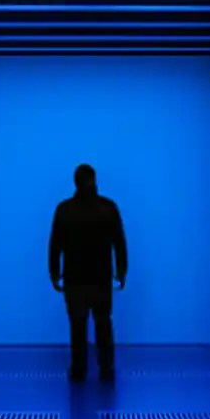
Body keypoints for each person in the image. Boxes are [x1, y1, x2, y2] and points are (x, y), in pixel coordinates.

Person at [48, 164, 128, 382]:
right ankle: (106, 368)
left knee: (77, 325)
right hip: (101, 278)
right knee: (103, 322)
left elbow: (55, 245)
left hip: (75, 279)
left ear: (75, 182)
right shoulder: (108, 208)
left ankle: (79, 368)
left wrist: (54, 274)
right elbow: (119, 243)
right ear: (94, 180)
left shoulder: (64, 210)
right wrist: (121, 271)